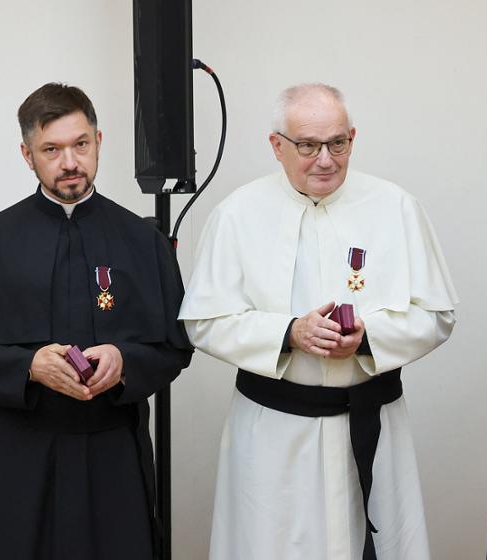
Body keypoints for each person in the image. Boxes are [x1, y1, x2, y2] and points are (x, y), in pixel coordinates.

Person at [178, 83, 457, 560]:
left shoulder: (397, 207)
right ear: (277, 146)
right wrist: (288, 333)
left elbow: (437, 314)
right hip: (274, 431)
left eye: (338, 143)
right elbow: (203, 321)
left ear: (352, 137)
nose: (325, 159)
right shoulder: (237, 214)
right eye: (307, 146)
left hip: (372, 420)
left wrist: (370, 339)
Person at [0, 83, 192, 559]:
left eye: (80, 144)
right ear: (27, 154)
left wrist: (125, 361)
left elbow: (176, 346)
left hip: (112, 448)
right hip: (18, 449)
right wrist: (27, 367)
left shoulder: (143, 242)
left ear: (98, 142)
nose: (69, 162)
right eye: (51, 149)